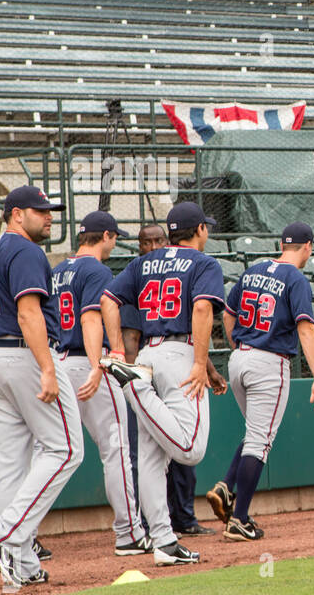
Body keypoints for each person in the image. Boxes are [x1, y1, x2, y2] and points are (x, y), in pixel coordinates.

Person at [99, 201, 228, 567]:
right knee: (190, 450)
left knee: (154, 460)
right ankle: (134, 384)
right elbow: (202, 309)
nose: (208, 232)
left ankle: (165, 542)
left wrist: (117, 349)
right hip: (180, 356)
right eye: (206, 227)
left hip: (148, 354)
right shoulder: (204, 263)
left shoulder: (143, 263)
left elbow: (108, 298)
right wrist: (201, 363)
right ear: (199, 230)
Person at [0, 186, 84, 588]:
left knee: (11, 462)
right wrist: (47, 369)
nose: (49, 216)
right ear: (16, 214)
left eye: (49, 210)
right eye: (40, 211)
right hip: (22, 356)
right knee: (66, 448)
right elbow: (28, 312)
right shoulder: (24, 251)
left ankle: (20, 565)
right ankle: (5, 533)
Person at [205, 222, 314, 540]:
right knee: (260, 442)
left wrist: (240, 347)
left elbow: (228, 313)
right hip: (268, 363)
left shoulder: (254, 270)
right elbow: (306, 329)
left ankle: (225, 487)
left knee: (254, 435)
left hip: (239, 359)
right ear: (308, 247)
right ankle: (240, 519)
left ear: (281, 243)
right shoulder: (296, 278)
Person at [51, 211, 146, 555]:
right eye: (114, 236)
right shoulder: (97, 270)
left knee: (48, 451)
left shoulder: (58, 269)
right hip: (88, 362)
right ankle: (129, 533)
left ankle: (18, 531)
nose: (115, 242)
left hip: (59, 360)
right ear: (105, 235)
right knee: (117, 449)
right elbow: (91, 317)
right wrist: (98, 365)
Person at [120, 223, 212, 537]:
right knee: (177, 450)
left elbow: (193, 327)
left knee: (160, 456)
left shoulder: (153, 273)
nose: (152, 247)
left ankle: (174, 525)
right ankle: (150, 524)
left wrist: (207, 368)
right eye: (146, 242)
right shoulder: (143, 276)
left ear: (167, 240)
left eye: (157, 240)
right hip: (149, 370)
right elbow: (132, 336)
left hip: (160, 360)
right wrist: (133, 374)